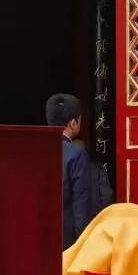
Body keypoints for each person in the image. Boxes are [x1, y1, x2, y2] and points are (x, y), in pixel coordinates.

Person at [46, 93, 94, 249]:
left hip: (40, 234)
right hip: (66, 239)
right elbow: (81, 203)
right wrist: (83, 244)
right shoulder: (76, 154)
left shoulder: (35, 150)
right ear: (73, 122)